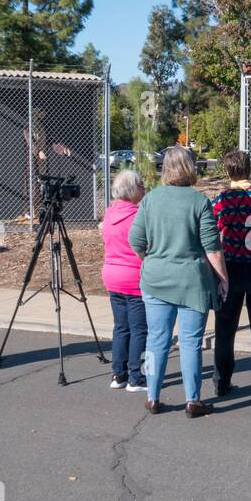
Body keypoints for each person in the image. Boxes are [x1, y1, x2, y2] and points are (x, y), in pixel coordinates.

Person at [128, 145, 229, 418]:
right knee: (190, 342)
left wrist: (150, 259)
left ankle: (152, 395)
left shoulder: (150, 200)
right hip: (191, 283)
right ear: (190, 168)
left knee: (155, 340)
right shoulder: (199, 202)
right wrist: (223, 279)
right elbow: (212, 248)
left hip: (155, 279)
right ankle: (192, 399)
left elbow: (135, 240)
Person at [210, 149, 251, 401]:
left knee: (225, 329)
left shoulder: (220, 201)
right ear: (250, 169)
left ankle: (222, 382)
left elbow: (212, 232)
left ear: (228, 171)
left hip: (231, 267)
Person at [101, 169, 147, 394]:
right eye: (140, 184)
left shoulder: (109, 213)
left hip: (112, 275)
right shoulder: (138, 216)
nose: (144, 187)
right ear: (132, 189)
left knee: (121, 327)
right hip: (133, 277)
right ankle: (136, 376)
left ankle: (118, 373)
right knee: (139, 329)